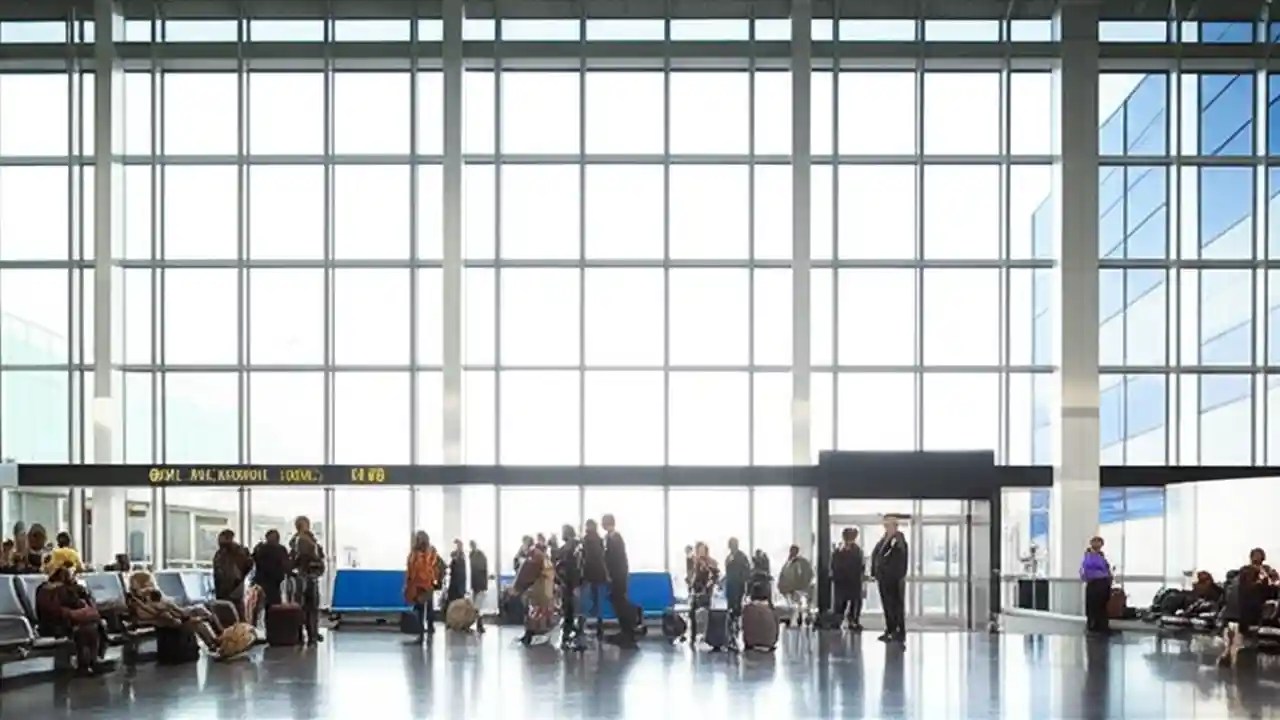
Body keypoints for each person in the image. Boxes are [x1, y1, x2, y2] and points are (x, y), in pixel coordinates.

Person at [36, 563, 109, 675]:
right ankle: (90, 662)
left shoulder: (46, 589)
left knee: (90, 626)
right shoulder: (54, 590)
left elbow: (82, 603)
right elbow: (55, 611)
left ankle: (88, 663)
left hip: (65, 622)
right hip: (58, 624)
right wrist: (75, 612)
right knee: (90, 627)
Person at [127, 571, 222, 654]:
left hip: (175, 613)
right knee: (197, 623)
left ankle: (220, 634)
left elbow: (169, 604)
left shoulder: (153, 596)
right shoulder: (137, 602)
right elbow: (152, 614)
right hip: (168, 619)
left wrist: (160, 600)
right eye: (148, 585)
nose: (151, 587)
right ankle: (213, 644)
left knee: (200, 609)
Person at [601, 514, 638, 648]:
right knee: (618, 602)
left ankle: (628, 630)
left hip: (618, 576)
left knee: (620, 602)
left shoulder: (614, 538)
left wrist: (611, 575)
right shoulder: (612, 538)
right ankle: (626, 630)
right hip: (619, 575)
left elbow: (614, 559)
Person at [871, 515, 909, 644]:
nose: (886, 527)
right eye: (885, 525)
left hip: (894, 579)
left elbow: (894, 559)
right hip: (883, 578)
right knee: (887, 605)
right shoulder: (884, 539)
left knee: (896, 605)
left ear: (895, 525)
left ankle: (898, 631)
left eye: (888, 525)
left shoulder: (898, 540)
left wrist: (892, 573)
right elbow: (877, 555)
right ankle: (890, 629)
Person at [289, 517, 325, 645]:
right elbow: (315, 558)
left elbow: (293, 560)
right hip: (308, 577)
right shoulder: (308, 541)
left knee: (301, 606)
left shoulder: (295, 541)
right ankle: (312, 634)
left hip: (300, 577)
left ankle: (300, 634)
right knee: (311, 607)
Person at [404, 531, 440, 641]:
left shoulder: (415, 554)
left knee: (420, 609)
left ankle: (421, 632)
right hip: (427, 584)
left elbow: (411, 571)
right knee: (427, 607)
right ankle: (429, 629)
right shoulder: (431, 553)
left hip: (419, 585)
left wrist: (407, 584)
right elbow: (435, 568)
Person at [212, 529, 253, 622]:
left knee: (237, 613)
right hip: (223, 589)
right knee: (225, 614)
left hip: (234, 588)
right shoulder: (220, 553)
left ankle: (241, 633)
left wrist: (239, 578)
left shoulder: (239, 552)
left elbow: (249, 564)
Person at [251, 530, 290, 624]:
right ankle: (273, 628)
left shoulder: (260, 548)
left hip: (262, 582)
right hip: (274, 582)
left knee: (256, 608)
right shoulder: (281, 549)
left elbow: (253, 560)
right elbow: (285, 565)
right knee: (274, 608)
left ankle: (254, 627)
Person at [555, 524, 584, 648]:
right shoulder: (576, 545)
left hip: (569, 582)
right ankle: (573, 630)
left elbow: (565, 562)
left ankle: (570, 632)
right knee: (570, 608)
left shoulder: (570, 546)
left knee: (569, 609)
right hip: (571, 582)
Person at [831, 528, 865, 631]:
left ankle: (853, 621)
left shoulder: (857, 551)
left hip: (853, 582)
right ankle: (838, 621)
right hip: (842, 583)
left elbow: (861, 566)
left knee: (855, 604)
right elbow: (834, 566)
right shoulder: (838, 551)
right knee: (840, 604)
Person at [1079, 536, 1112, 634]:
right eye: (1096, 542)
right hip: (1094, 583)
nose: (1098, 545)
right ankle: (1093, 625)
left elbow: (1106, 568)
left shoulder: (1101, 556)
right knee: (1093, 605)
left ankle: (1102, 626)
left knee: (1102, 605)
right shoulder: (1089, 556)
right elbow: (1086, 569)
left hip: (1103, 582)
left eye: (1100, 543)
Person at [581, 519, 608, 638]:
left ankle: (583, 626)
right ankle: (599, 626)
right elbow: (602, 556)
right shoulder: (600, 539)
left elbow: (584, 558)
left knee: (587, 600)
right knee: (599, 600)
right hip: (600, 574)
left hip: (589, 574)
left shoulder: (585, 540)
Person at [778, 544, 815, 627]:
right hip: (794, 588)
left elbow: (807, 574)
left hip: (798, 587)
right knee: (796, 602)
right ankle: (798, 615)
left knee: (798, 602)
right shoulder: (790, 563)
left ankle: (800, 615)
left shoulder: (798, 563)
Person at [723, 537, 751, 619]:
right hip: (730, 585)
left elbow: (747, 571)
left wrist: (742, 581)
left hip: (738, 586)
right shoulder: (728, 557)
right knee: (730, 607)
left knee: (737, 607)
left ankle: (736, 622)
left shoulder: (742, 557)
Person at [468, 540, 489, 633]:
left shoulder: (476, 556)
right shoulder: (475, 555)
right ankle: (479, 624)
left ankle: (479, 624)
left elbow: (481, 569)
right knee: (477, 606)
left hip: (478, 584)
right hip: (478, 584)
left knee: (477, 606)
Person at [446, 539, 468, 607]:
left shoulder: (461, 557)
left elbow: (458, 570)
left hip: (458, 584)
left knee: (457, 601)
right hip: (455, 583)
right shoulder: (457, 557)